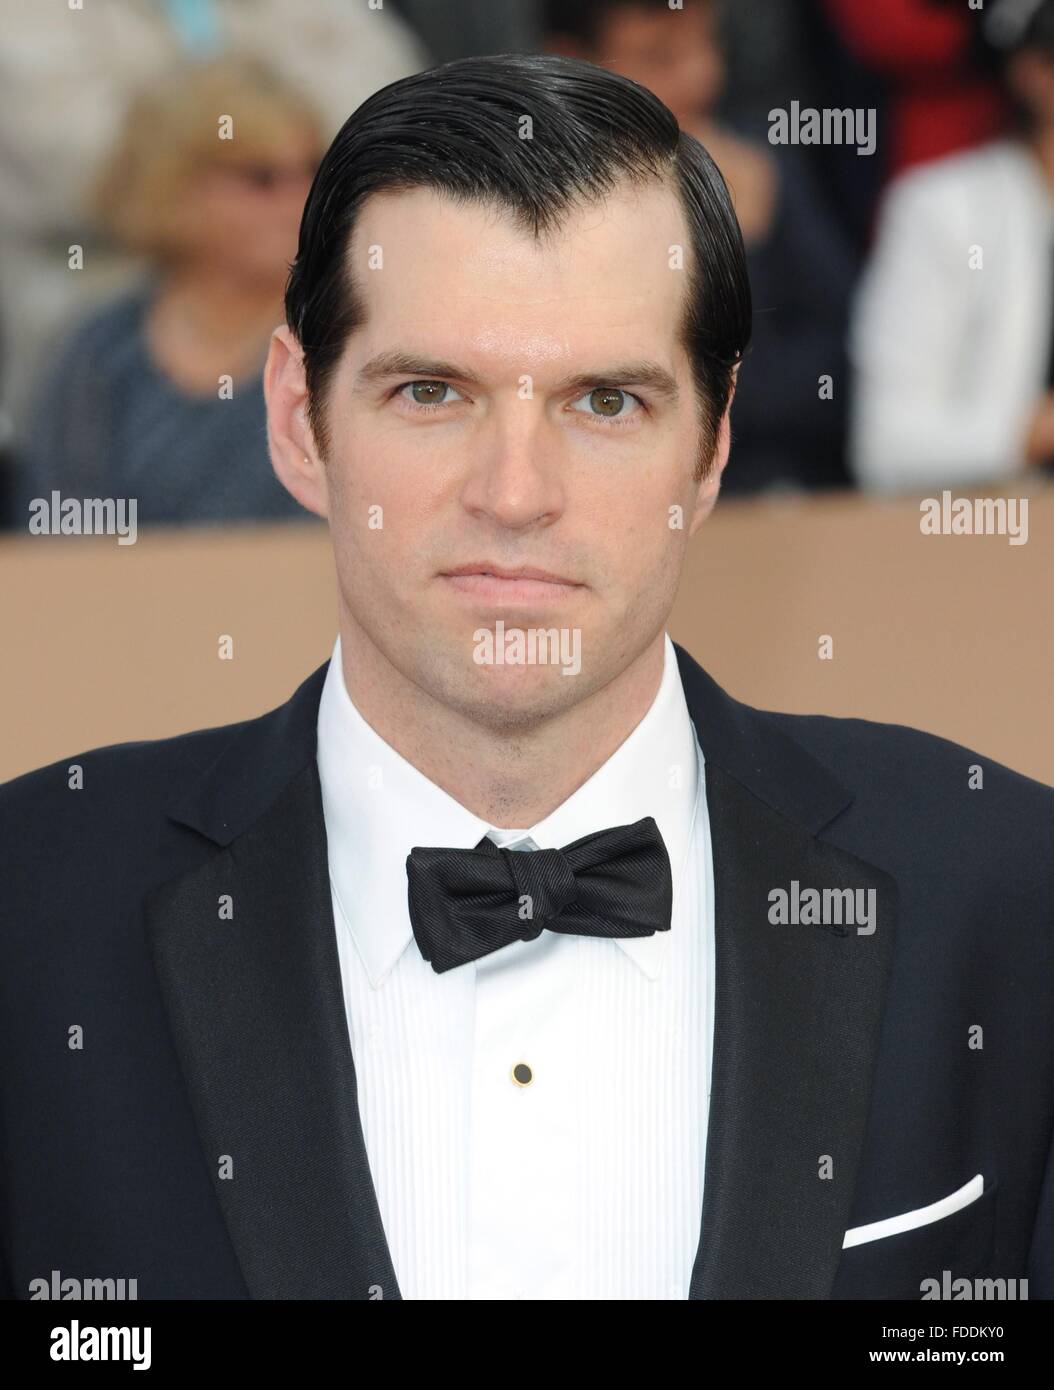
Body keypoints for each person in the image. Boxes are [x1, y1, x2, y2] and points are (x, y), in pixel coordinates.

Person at [1, 53, 1052, 1301]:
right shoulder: (34, 907)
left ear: (710, 444)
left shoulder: (1003, 887)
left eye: (603, 400)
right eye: (431, 392)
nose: (514, 495)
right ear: (297, 417)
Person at [543, 0, 858, 495]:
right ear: (573, 61)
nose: (701, 76)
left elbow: (846, 372)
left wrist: (742, 252)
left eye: (709, 43)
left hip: (771, 496)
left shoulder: (760, 170)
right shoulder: (536, 203)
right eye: (660, 56)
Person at [12, 56, 327, 529]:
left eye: (312, 170)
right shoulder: (98, 352)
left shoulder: (342, 335)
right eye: (261, 178)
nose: (300, 199)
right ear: (172, 187)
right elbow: (62, 532)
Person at [849, 0, 1054, 492]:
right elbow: (885, 445)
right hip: (996, 544)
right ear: (1028, 71)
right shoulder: (940, 209)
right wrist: (1030, 434)